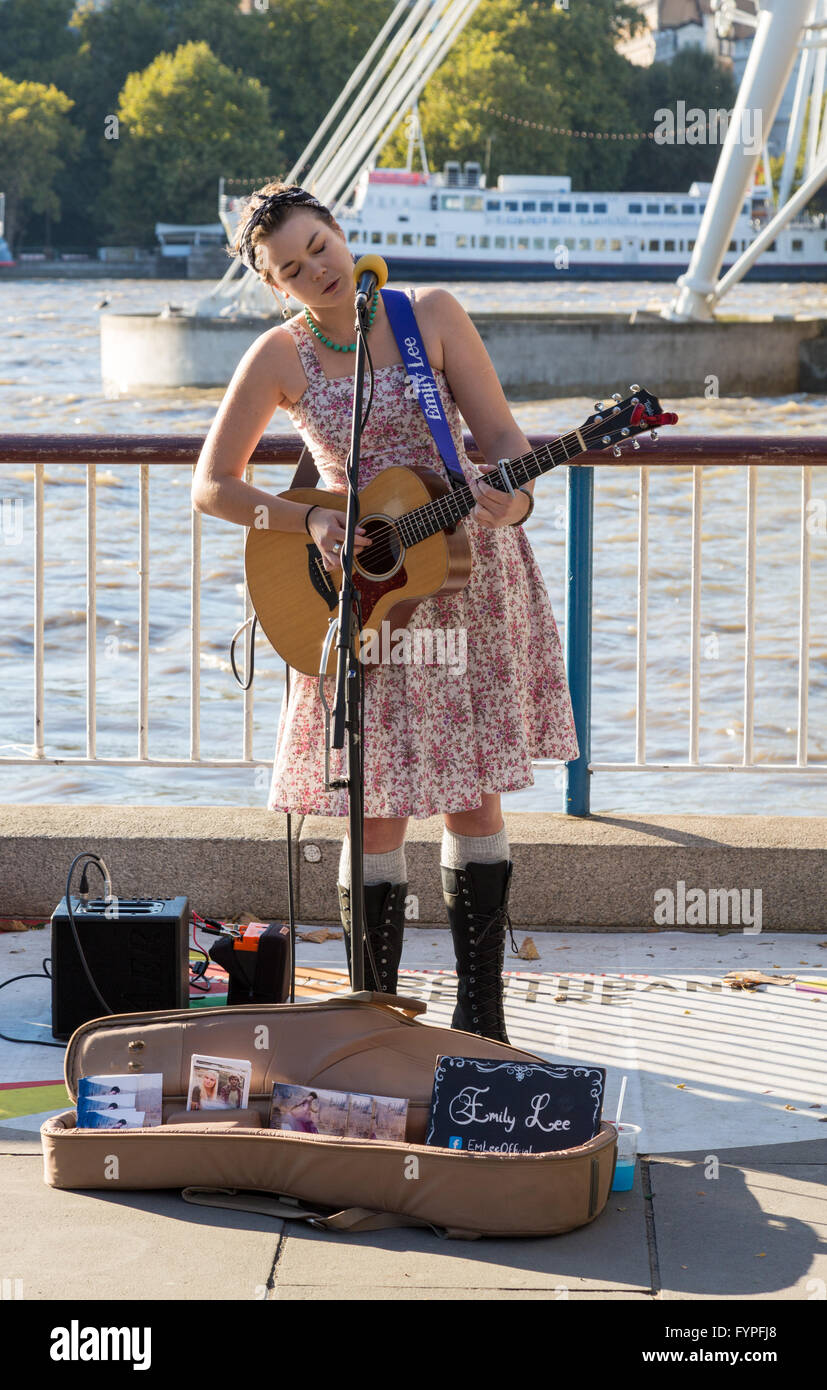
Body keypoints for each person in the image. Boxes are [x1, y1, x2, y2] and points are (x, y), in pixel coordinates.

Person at [192, 182, 579, 1044]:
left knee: (473, 798)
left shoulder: (429, 313)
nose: (316, 270)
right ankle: (377, 1029)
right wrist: (314, 520)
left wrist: (506, 505)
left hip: (470, 583)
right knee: (376, 806)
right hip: (365, 595)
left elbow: (507, 445)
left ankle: (483, 1018)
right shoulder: (278, 356)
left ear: (340, 232)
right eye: (291, 268)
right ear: (275, 285)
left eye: (318, 246)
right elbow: (212, 487)